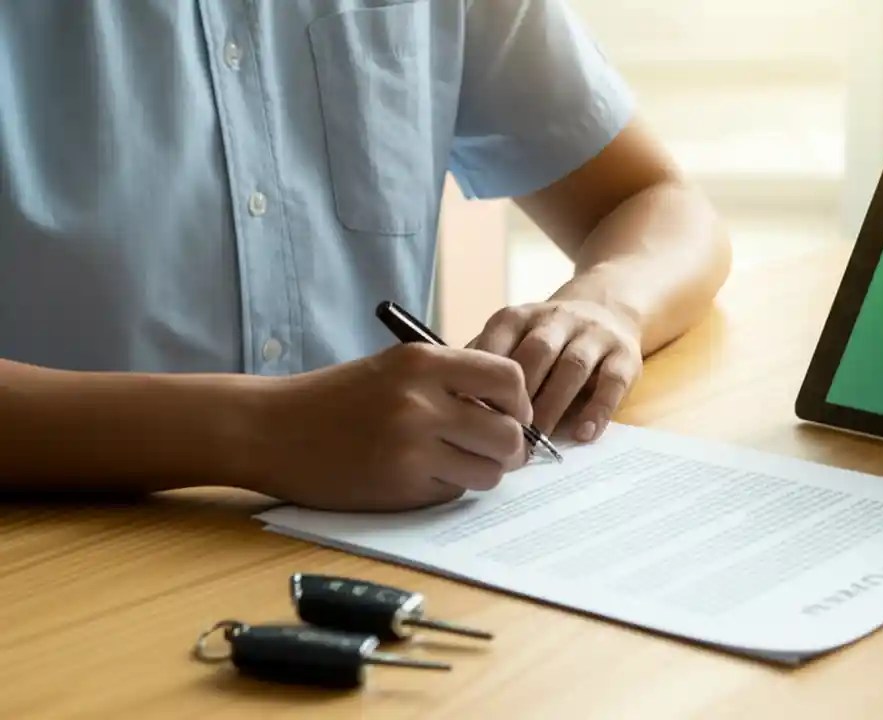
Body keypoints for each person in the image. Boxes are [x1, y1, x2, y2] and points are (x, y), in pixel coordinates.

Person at [0, 1, 730, 511]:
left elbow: (659, 202)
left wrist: (604, 305)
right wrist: (258, 432)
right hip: (60, 570)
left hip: (380, 546)